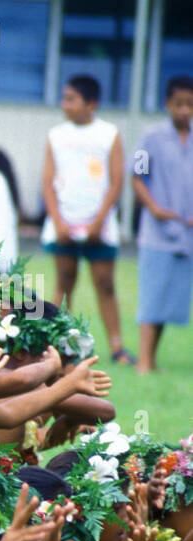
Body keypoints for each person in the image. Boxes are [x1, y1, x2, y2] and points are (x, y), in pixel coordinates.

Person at [41, 74, 129, 364]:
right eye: (64, 98)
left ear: (90, 103)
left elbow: (116, 181)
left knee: (105, 284)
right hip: (64, 222)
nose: (64, 104)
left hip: (99, 225)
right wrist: (58, 222)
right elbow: (48, 181)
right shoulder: (56, 135)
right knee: (64, 281)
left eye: (71, 99)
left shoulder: (109, 133)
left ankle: (117, 347)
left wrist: (99, 222)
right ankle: (53, 344)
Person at [132, 75, 193, 374]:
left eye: (190, 105)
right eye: (179, 104)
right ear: (168, 103)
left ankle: (152, 359)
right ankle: (143, 362)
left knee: (171, 299)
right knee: (152, 295)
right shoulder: (151, 137)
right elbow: (136, 176)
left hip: (187, 233)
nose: (184, 110)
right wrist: (154, 208)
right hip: (157, 233)